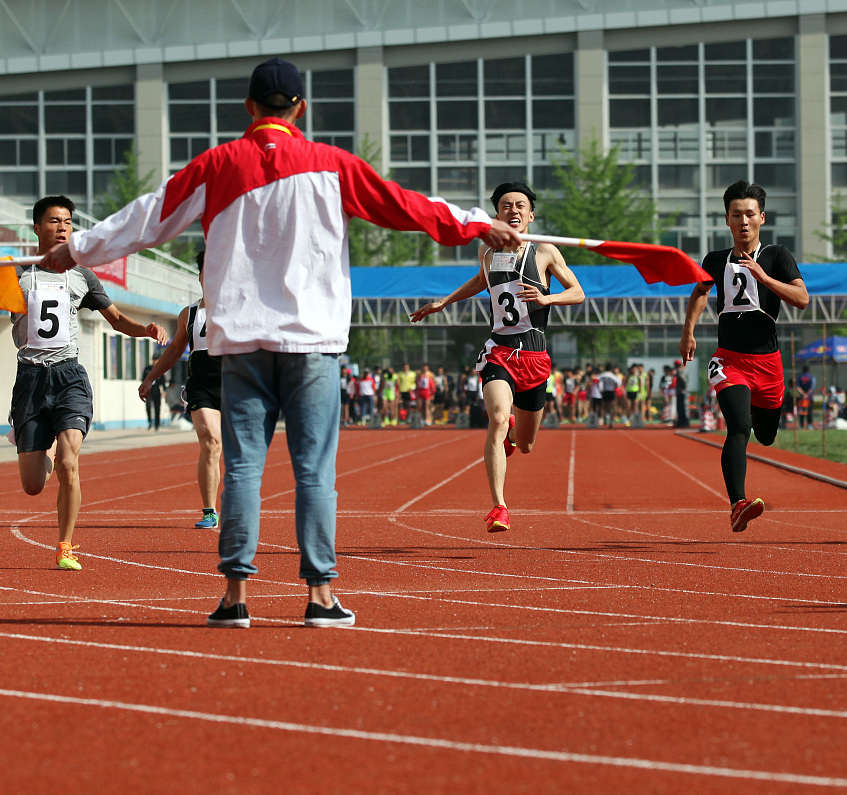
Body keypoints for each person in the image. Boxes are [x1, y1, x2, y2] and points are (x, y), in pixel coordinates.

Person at [41, 58, 519, 625]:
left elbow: (147, 218)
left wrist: (74, 251)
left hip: (240, 341)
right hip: (312, 341)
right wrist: (475, 224)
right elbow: (405, 205)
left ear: (248, 107)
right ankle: (320, 597)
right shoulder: (332, 164)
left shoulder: (217, 164)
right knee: (314, 471)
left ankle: (234, 598)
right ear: (301, 108)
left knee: (243, 469)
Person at [0, 195, 169, 571]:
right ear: (35, 227)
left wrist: (144, 330)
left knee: (69, 461)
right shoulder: (18, 273)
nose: (62, 227)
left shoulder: (81, 273)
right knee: (32, 485)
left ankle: (65, 544)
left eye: (67, 221)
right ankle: (39, 445)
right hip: (30, 379)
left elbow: (115, 319)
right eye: (53, 221)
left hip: (69, 377)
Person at [411, 181, 583, 532]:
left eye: (520, 206)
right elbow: (480, 281)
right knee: (498, 417)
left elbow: (578, 292)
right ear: (497, 215)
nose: (514, 211)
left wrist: (548, 299)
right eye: (506, 206)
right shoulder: (487, 252)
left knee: (528, 444)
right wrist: (444, 302)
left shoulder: (545, 252)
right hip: (499, 351)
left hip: (534, 357)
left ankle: (514, 436)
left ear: (531, 215)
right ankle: (499, 506)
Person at [679, 180, 808, 532]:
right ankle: (738, 503)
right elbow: (700, 293)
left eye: (750, 214)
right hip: (729, 360)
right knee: (739, 428)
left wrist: (765, 278)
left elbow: (802, 299)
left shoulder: (778, 256)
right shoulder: (715, 260)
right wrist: (688, 331)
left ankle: (752, 404)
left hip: (768, 364)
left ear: (762, 217)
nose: (744, 221)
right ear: (727, 220)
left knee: (765, 435)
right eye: (736, 215)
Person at [139, 251, 223, 529]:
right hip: (202, 386)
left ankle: (239, 503)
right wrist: (150, 378)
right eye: (206, 272)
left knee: (236, 448)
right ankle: (210, 510)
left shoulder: (240, 308)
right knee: (210, 441)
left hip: (236, 385)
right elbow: (175, 349)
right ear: (200, 277)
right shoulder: (190, 314)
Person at [142, 354, 164, 430]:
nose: (155, 361)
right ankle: (150, 422)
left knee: (157, 407)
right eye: (154, 360)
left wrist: (164, 391)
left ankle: (157, 424)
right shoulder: (148, 369)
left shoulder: (160, 369)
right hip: (149, 390)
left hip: (156, 390)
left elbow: (163, 381)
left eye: (156, 360)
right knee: (148, 406)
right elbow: (143, 379)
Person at [673, 359, 690, 428]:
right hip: (679, 392)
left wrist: (684, 386)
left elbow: (684, 381)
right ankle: (680, 421)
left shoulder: (681, 371)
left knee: (683, 408)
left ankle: (685, 422)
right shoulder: (680, 371)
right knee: (679, 408)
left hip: (683, 392)